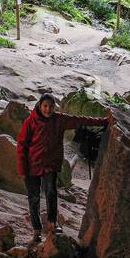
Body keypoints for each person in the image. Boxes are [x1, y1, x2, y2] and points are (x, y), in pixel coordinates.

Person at [16, 94, 110, 242]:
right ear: (40, 106)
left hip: (50, 165)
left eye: (51, 106)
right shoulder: (31, 122)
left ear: (54, 107)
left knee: (51, 192)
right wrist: (23, 168)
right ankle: (37, 229)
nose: (48, 109)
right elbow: (21, 146)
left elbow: (80, 120)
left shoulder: (59, 120)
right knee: (34, 198)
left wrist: (104, 121)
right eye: (45, 106)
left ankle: (52, 224)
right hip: (32, 165)